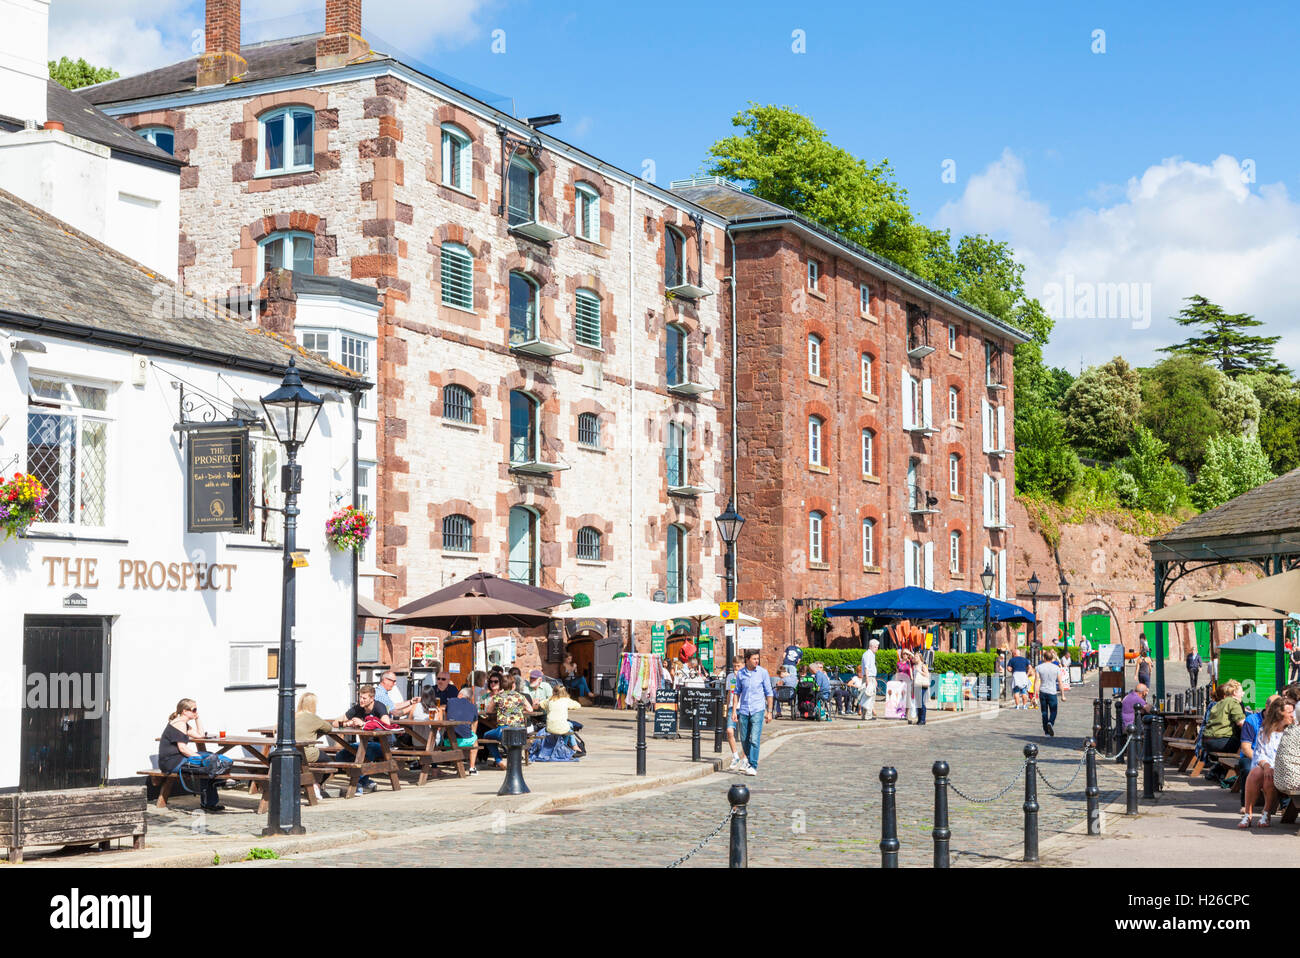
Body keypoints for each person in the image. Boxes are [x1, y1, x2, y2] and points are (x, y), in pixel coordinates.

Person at [158, 698, 223, 811]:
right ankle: (209, 802)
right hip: (172, 762)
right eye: (194, 710)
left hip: (177, 759)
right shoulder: (180, 724)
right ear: (184, 711)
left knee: (210, 757)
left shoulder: (184, 724)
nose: (196, 712)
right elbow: (182, 748)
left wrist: (197, 719)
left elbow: (200, 735)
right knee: (207, 763)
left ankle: (210, 799)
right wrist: (200, 758)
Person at [1240, 697, 1294, 828]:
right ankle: (1248, 813)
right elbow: (1259, 753)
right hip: (1264, 765)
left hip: (1284, 769)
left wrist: (1273, 768)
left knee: (1269, 776)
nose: (1293, 715)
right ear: (1279, 714)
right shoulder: (1264, 731)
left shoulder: (1293, 731)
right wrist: (1267, 766)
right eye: (1289, 712)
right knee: (1256, 773)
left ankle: (1266, 812)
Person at [333, 685, 392, 793]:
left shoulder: (379, 707)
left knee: (365, 754)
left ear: (372, 698)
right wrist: (347, 723)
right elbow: (335, 723)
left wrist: (364, 724)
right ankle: (366, 782)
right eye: (360, 697)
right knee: (341, 756)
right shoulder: (358, 708)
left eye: (364, 698)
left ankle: (357, 785)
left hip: (382, 745)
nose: (361, 700)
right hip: (363, 744)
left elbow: (387, 725)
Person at [733, 650, 773, 776]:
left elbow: (769, 693)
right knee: (744, 739)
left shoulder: (763, 673)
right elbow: (737, 693)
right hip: (744, 709)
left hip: (758, 709)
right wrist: (734, 710)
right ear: (747, 659)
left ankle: (753, 765)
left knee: (754, 738)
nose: (757, 661)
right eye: (754, 658)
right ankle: (749, 761)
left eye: (757, 658)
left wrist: (770, 711)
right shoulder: (740, 674)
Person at [480, 674, 531, 768]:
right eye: (491, 682)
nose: (493, 684)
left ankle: (499, 761)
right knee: (504, 736)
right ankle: (511, 760)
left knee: (486, 736)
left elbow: (488, 711)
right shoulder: (520, 696)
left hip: (503, 730)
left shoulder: (497, 697)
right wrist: (518, 709)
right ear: (513, 685)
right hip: (520, 730)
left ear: (501, 684)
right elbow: (530, 709)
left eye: (495, 682)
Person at [1202, 679, 1247, 781]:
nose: (1243, 693)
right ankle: (1228, 773)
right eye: (1241, 691)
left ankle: (1218, 770)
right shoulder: (1234, 703)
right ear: (1235, 692)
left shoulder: (1220, 703)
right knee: (1245, 746)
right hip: (1221, 741)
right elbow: (1242, 723)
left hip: (1208, 741)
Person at [295, 693, 335, 798]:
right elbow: (328, 728)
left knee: (303, 766)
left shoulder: (293, 716)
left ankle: (308, 785)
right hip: (307, 753)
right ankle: (316, 785)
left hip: (291, 753)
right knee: (330, 763)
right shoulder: (314, 718)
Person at [724, 657, 749, 771]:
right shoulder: (730, 677)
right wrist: (726, 705)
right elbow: (729, 692)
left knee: (744, 734)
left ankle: (745, 759)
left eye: (738, 666)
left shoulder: (746, 676)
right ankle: (735, 756)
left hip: (743, 707)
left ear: (743, 665)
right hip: (731, 707)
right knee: (729, 731)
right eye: (734, 666)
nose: (736, 668)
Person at [447, 689, 480, 773]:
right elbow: (474, 726)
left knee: (454, 731)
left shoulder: (450, 701)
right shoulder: (473, 707)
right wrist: (472, 733)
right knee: (474, 740)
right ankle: (472, 767)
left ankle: (456, 764)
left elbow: (446, 715)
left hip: (448, 741)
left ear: (460, 695)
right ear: (469, 698)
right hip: (465, 742)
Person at [544, 684, 584, 752]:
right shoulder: (566, 700)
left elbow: (541, 704)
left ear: (553, 692)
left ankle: (569, 746)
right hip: (562, 727)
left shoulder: (549, 701)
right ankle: (565, 746)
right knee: (570, 727)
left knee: (568, 727)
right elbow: (578, 705)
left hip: (549, 727)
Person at [1035, 650, 1065, 736]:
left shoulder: (1039, 667)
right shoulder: (1056, 668)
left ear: (1044, 658)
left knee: (1044, 712)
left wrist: (1035, 695)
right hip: (1052, 692)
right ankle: (1050, 723)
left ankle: (1046, 732)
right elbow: (1060, 682)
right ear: (1052, 659)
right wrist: (1063, 695)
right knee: (1053, 711)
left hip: (1043, 692)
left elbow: (1037, 681)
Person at [858, 640, 879, 718]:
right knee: (869, 696)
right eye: (875, 647)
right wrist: (867, 679)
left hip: (871, 677)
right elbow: (866, 667)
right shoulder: (868, 654)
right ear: (870, 646)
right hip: (869, 677)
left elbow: (871, 668)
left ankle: (866, 715)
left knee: (868, 696)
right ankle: (867, 716)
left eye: (877, 647)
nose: (877, 648)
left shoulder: (871, 654)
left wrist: (875, 679)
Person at [911, 651, 930, 726]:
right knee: (918, 703)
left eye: (916, 657)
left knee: (921, 702)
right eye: (914, 657)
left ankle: (923, 719)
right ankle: (919, 719)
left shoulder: (923, 666)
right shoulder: (915, 666)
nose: (915, 658)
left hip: (922, 685)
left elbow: (927, 675)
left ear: (920, 658)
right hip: (916, 685)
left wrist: (920, 671)